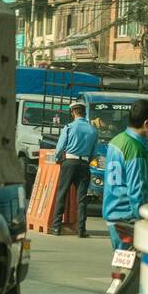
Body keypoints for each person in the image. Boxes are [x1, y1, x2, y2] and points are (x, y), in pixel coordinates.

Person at [102, 98, 148, 294]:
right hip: (130, 217)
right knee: (138, 275)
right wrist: (145, 218)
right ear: (147, 123)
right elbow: (137, 191)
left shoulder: (117, 141)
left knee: (123, 271)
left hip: (113, 215)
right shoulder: (135, 148)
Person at [50, 102, 98, 238]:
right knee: (82, 198)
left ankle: (56, 227)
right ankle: (81, 230)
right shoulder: (93, 130)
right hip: (84, 164)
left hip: (69, 163)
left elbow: (60, 147)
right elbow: (94, 153)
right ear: (84, 113)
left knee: (62, 194)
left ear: (73, 113)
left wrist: (57, 159)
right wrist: (87, 160)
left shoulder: (69, 127)